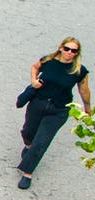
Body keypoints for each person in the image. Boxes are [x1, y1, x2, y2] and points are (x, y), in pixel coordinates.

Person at [17, 38, 89, 190]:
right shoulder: (48, 60)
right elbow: (34, 67)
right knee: (28, 132)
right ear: (61, 48)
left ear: (77, 53)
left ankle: (27, 173)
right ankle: (28, 145)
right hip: (38, 102)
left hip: (59, 109)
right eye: (67, 48)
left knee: (41, 141)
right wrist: (33, 80)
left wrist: (87, 107)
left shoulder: (78, 70)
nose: (70, 52)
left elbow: (84, 90)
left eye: (74, 51)